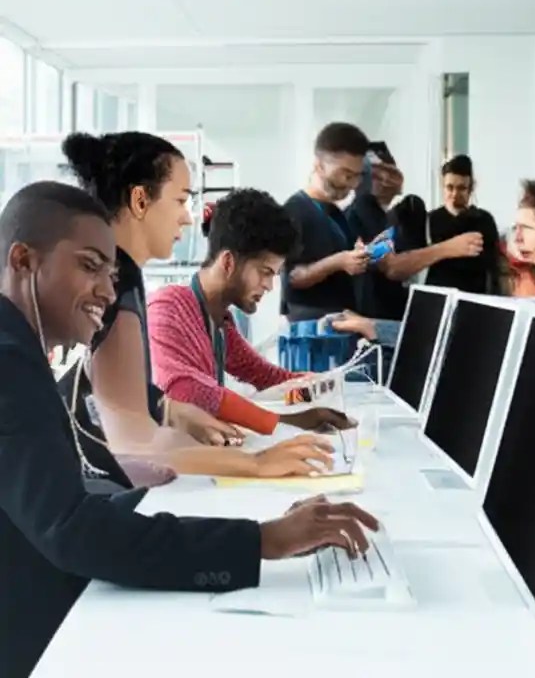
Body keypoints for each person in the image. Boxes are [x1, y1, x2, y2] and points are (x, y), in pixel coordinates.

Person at [0, 181, 381, 678]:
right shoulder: (10, 364)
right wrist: (261, 540)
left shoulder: (19, 353)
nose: (108, 291)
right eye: (90, 266)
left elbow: (50, 504)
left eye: (112, 275)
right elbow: (69, 530)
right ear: (23, 260)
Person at [60, 131, 335, 484]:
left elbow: (121, 397)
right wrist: (258, 462)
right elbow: (134, 437)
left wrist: (171, 411)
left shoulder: (126, 279)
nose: (188, 219)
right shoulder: (119, 287)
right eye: (180, 201)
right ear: (141, 201)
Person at [148, 189, 355, 435]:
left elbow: (267, 376)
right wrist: (284, 420)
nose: (269, 286)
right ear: (228, 262)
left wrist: (319, 387)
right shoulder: (166, 308)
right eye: (265, 272)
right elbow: (187, 391)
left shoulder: (220, 320)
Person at [281, 122, 371, 323]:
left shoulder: (335, 212)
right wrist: (338, 262)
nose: (353, 184)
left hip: (341, 323)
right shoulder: (294, 211)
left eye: (357, 176)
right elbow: (293, 277)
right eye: (346, 174)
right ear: (319, 166)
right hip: (312, 330)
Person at [382, 155, 495, 295]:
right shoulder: (429, 220)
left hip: (473, 300)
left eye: (461, 188)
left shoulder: (483, 220)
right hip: (435, 299)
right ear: (443, 186)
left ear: (470, 189)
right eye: (450, 187)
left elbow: (493, 268)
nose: (454, 194)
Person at [344, 141, 410, 320]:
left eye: (390, 173)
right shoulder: (363, 211)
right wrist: (446, 249)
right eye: (377, 175)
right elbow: (393, 266)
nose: (385, 180)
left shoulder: (391, 216)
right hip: (375, 317)